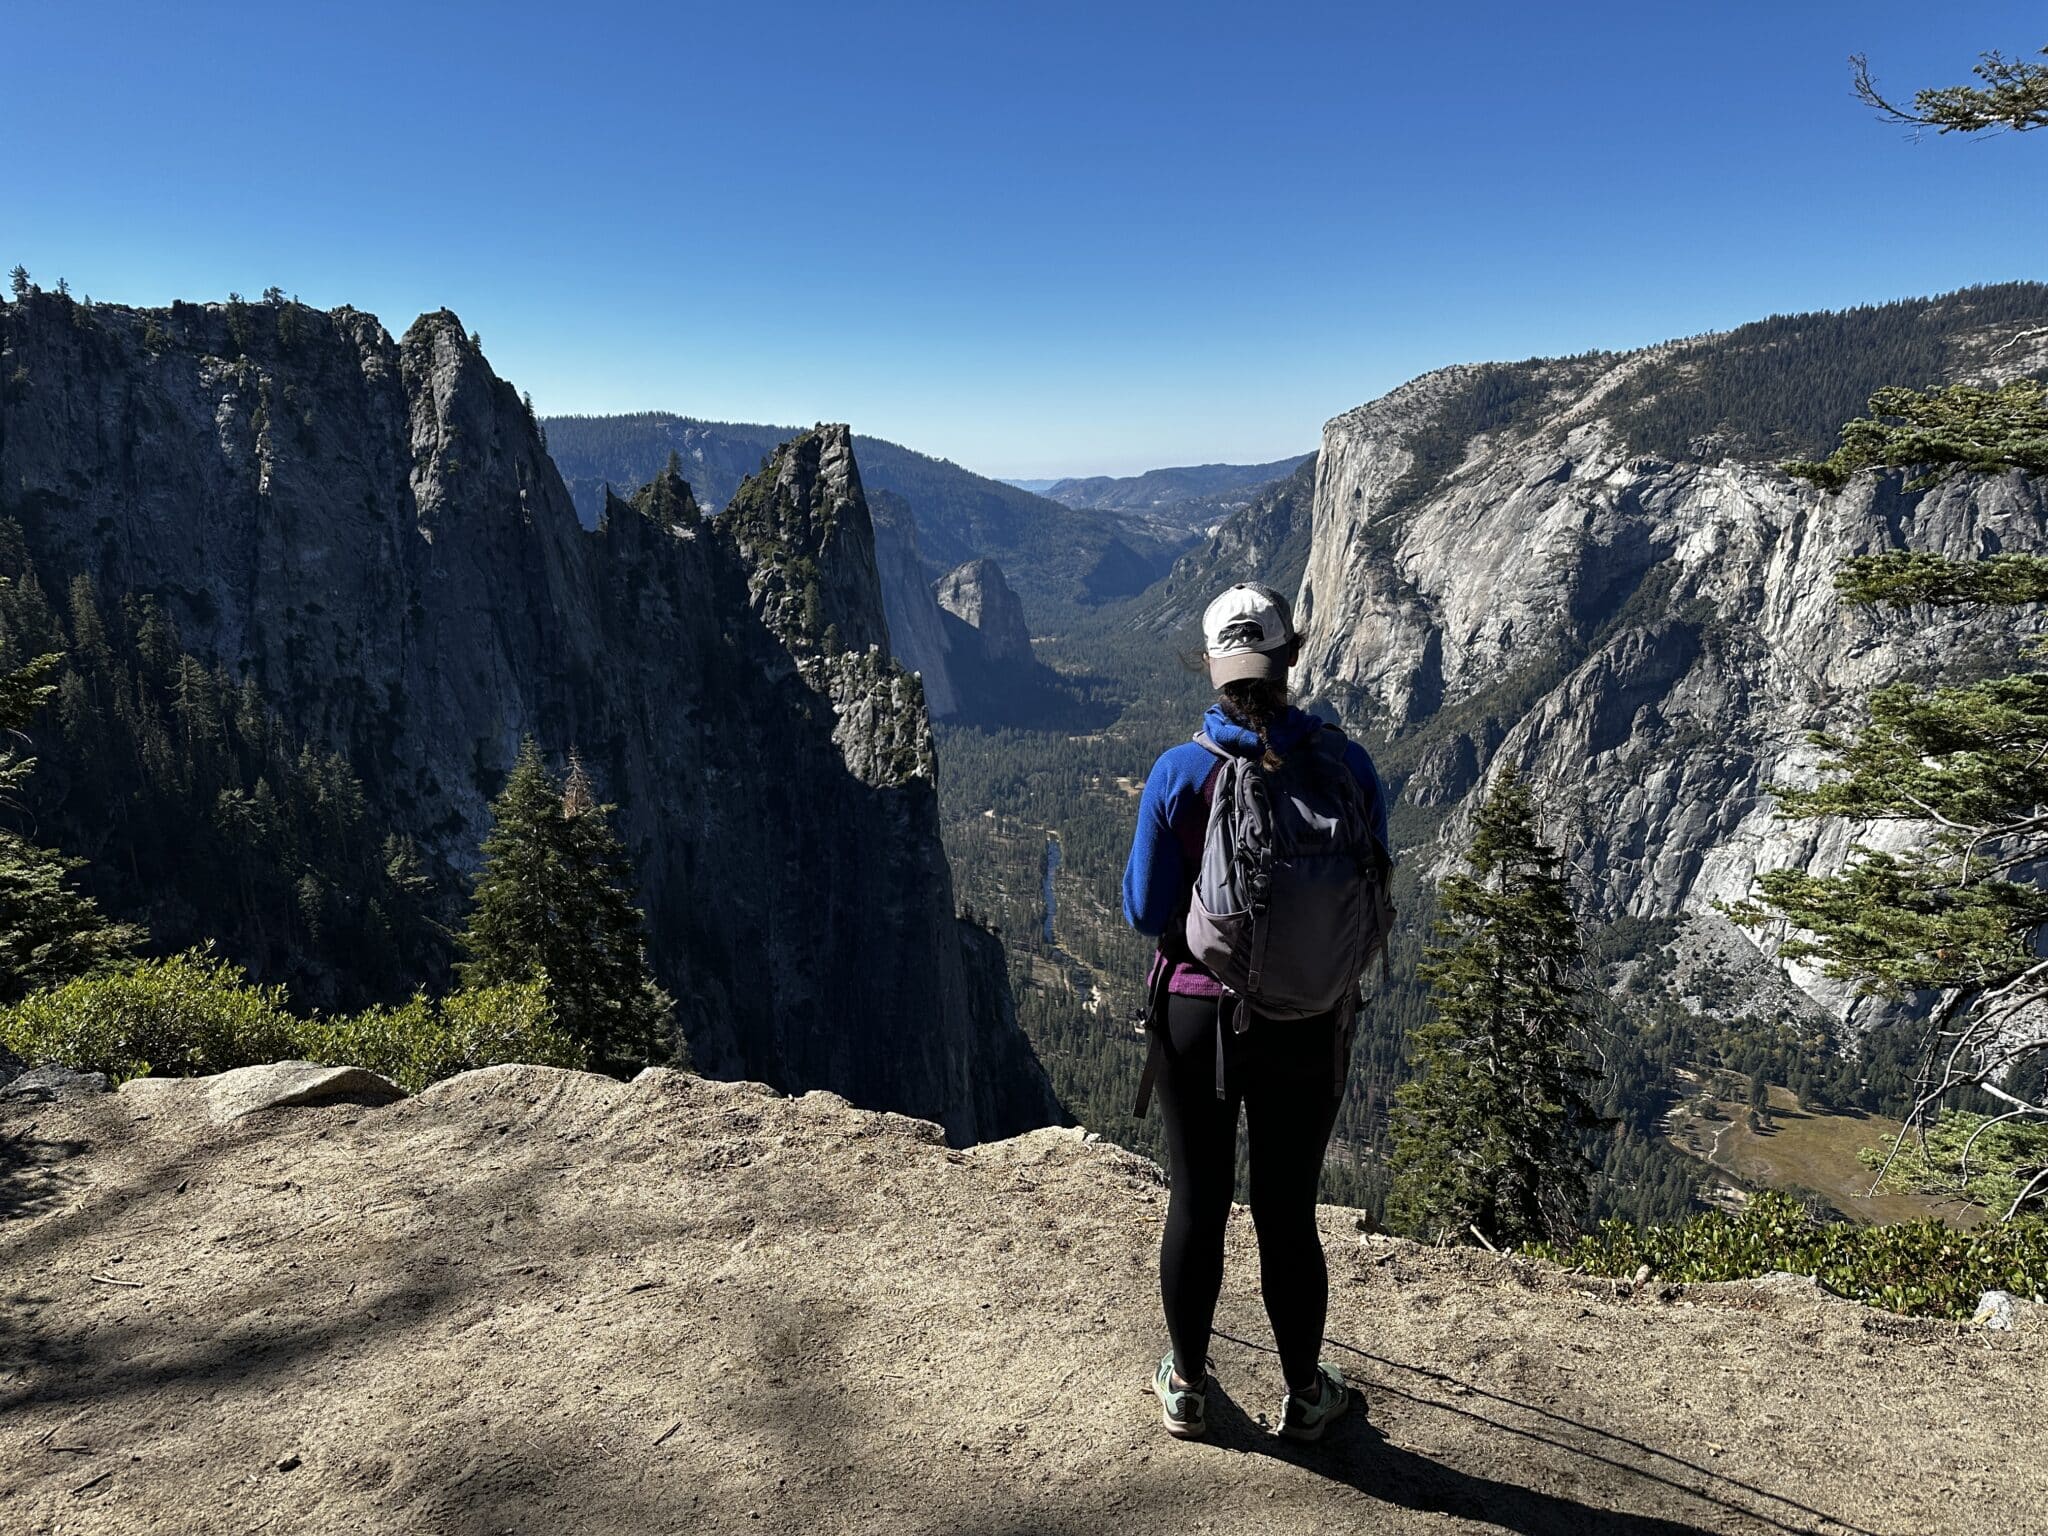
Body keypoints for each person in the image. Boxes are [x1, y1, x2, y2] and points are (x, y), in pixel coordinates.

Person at [1120, 580, 1390, 1442]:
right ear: (1289, 660)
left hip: (1199, 1017)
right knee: (1288, 1211)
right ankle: (1307, 1393)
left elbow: (1139, 908)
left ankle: (1190, 1387)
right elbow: (1374, 891)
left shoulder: (1181, 770)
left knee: (1197, 1201)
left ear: (1212, 667)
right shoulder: (1347, 766)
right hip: (1308, 1021)